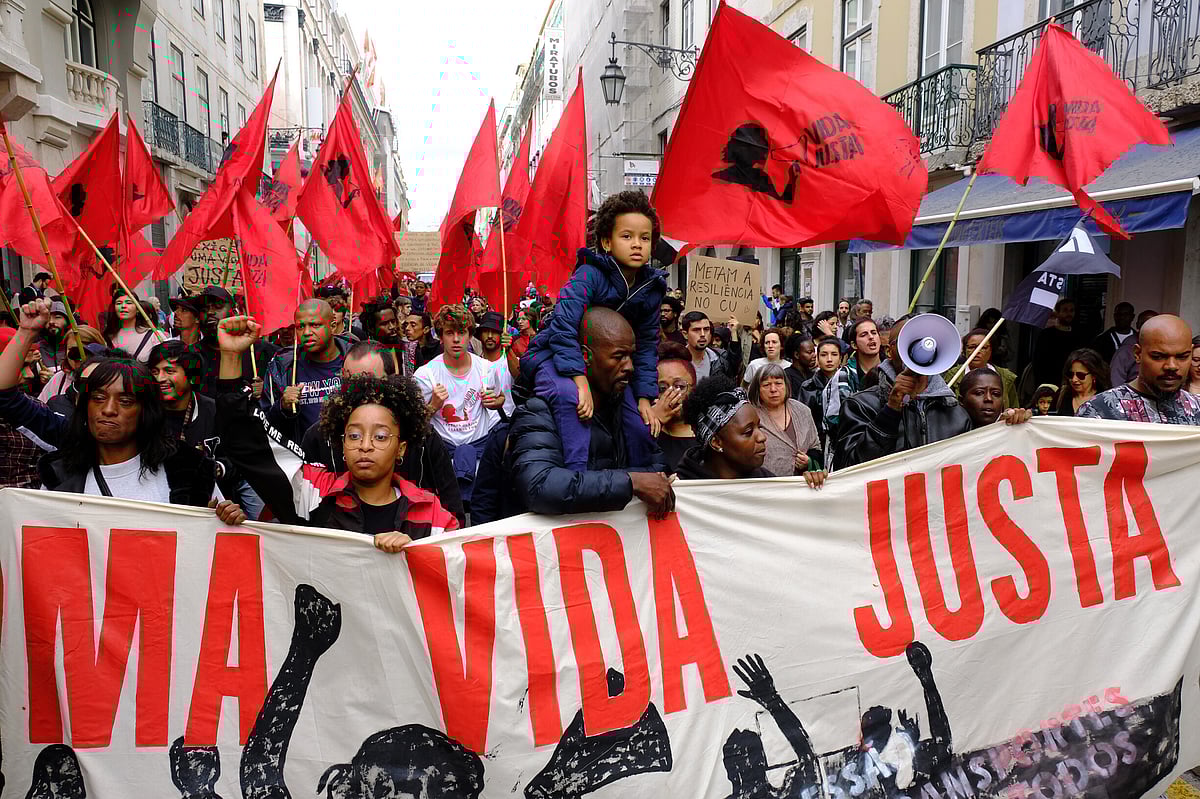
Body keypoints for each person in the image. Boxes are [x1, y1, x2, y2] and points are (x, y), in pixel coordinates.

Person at [215, 315, 457, 548]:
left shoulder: (432, 516)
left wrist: (417, 550)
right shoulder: (314, 493)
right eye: (354, 435)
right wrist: (231, 357)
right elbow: (249, 445)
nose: (365, 446)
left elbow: (454, 556)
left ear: (401, 447)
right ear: (342, 441)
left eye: (380, 437)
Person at [519, 190, 668, 461]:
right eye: (627, 236)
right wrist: (579, 379)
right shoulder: (589, 274)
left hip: (606, 369)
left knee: (639, 424)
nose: (637, 245)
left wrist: (645, 396)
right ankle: (575, 473)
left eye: (644, 238)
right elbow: (563, 326)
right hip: (555, 357)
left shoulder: (652, 289)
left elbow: (646, 347)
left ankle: (641, 477)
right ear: (606, 242)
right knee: (570, 398)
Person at [506, 306, 673, 517]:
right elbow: (539, 485)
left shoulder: (630, 409)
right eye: (618, 356)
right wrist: (631, 482)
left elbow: (659, 470)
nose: (629, 366)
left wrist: (635, 480)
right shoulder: (539, 412)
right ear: (585, 356)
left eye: (631, 356)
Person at [290, 339, 467, 528]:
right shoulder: (319, 436)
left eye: (370, 384)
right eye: (350, 385)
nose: (360, 395)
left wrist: (413, 537)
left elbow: (453, 518)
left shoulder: (423, 436)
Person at [832, 315, 972, 470]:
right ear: (889, 351)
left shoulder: (956, 413)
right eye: (905, 341)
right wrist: (890, 411)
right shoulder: (860, 406)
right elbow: (849, 467)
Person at [414, 305, 502, 507]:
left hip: (481, 454)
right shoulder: (425, 375)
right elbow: (414, 424)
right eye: (449, 333)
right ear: (440, 336)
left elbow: (500, 401)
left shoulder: (487, 369)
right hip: (442, 459)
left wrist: (495, 402)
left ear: (470, 335)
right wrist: (433, 405)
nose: (456, 339)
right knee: (449, 515)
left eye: (461, 332)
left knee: (483, 513)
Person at [1078, 315, 1200, 424]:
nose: (1172, 366)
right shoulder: (1099, 411)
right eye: (1158, 356)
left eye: (1182, 357)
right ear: (1137, 354)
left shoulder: (1197, 408)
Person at [263, 298, 352, 442]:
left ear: (333, 326)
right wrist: (282, 407)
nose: (307, 332)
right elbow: (266, 426)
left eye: (315, 325)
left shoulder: (356, 360)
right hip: (303, 454)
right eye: (300, 327)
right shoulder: (282, 366)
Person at [675, 374, 773, 480]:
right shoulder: (682, 486)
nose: (762, 437)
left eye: (759, 427)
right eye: (748, 432)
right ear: (716, 442)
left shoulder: (767, 483)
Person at [196, 286, 277, 398]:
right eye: (204, 309)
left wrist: (268, 389)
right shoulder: (191, 356)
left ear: (235, 312)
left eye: (218, 307)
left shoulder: (264, 351)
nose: (210, 312)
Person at [748, 362, 820, 476]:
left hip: (802, 483)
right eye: (766, 385)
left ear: (786, 385)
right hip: (763, 482)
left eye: (778, 383)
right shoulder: (750, 415)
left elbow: (815, 448)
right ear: (758, 389)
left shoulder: (802, 411)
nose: (773, 389)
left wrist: (808, 461)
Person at [822, 317, 883, 445]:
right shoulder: (843, 376)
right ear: (854, 345)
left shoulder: (892, 371)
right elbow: (836, 420)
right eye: (864, 335)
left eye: (874, 333)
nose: (871, 337)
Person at [650, 342, 697, 474]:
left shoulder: (707, 436)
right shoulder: (645, 432)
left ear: (693, 388)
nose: (671, 395)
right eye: (662, 388)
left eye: (680, 387)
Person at [946, 328, 1019, 410]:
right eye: (971, 347)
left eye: (983, 347)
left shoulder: (1005, 377)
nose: (977, 351)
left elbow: (1014, 408)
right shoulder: (953, 375)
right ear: (964, 350)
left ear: (991, 350)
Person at [38, 323, 105, 403]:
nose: (76, 354)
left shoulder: (108, 379)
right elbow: (41, 406)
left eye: (83, 350)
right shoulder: (59, 379)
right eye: (71, 349)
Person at [1031, 298, 1086, 387]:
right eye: (1065, 310)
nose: (1069, 314)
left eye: (1071, 310)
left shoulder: (1079, 335)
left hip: (1072, 382)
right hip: (1050, 382)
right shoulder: (1047, 335)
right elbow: (1038, 362)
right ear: (1057, 313)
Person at [102, 286, 163, 363]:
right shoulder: (108, 337)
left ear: (137, 309)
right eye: (119, 303)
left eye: (129, 303)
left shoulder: (154, 336)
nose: (123, 306)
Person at [474, 311, 517, 416]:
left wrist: (509, 350)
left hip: (508, 420)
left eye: (494, 332)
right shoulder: (474, 365)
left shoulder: (510, 362)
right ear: (480, 335)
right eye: (485, 331)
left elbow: (520, 376)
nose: (489, 336)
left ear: (502, 335)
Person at [959, 368, 1033, 428]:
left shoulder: (1013, 427)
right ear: (961, 400)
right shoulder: (952, 434)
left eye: (996, 394)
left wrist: (1020, 423)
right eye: (979, 393)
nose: (989, 398)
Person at [1110, 309, 1159, 386]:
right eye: (1144, 324)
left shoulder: (1166, 348)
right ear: (1138, 325)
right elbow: (1115, 382)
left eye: (1154, 324)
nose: (1149, 328)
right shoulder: (1126, 350)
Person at [1053, 348, 1108, 416]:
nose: (1074, 379)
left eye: (1080, 375)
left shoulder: (1105, 399)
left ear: (1094, 375)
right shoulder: (1061, 396)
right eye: (1070, 374)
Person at [683, 311, 720, 381]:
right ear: (685, 334)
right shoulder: (676, 361)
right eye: (696, 330)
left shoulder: (719, 360)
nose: (702, 334)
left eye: (706, 329)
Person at [37, 299, 72, 371]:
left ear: (68, 321)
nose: (51, 322)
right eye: (47, 318)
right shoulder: (37, 349)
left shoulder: (77, 347)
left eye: (57, 317)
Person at [782, 334, 815, 398]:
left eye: (814, 351)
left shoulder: (813, 375)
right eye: (809, 352)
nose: (814, 355)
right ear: (796, 355)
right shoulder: (787, 376)